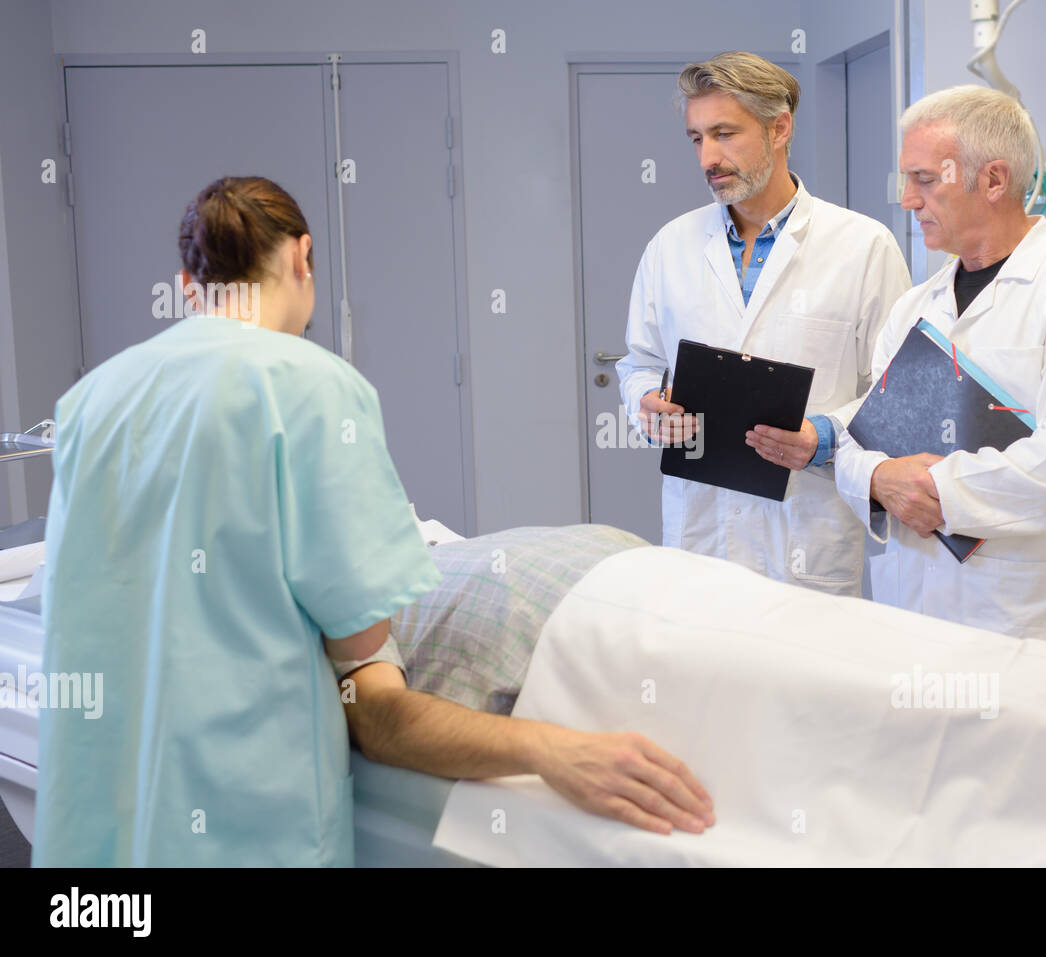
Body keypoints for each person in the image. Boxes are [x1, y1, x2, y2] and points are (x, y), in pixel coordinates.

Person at [35, 176, 711, 867]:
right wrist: (552, 748)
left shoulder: (92, 399)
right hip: (242, 827)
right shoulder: (311, 386)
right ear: (302, 257)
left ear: (187, 286)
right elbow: (377, 707)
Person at [835, 86, 1046, 650]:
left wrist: (937, 491)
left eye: (925, 179)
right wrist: (877, 479)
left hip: (1020, 616)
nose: (907, 199)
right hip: (908, 610)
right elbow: (861, 436)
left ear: (994, 180)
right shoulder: (913, 307)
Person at [617, 52, 910, 596]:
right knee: (700, 672)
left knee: (802, 677)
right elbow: (641, 364)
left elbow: (896, 391)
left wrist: (823, 437)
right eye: (696, 138)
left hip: (807, 527)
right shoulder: (670, 246)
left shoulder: (864, 247)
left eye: (725, 134)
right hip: (699, 529)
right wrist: (647, 407)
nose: (708, 156)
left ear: (780, 128)